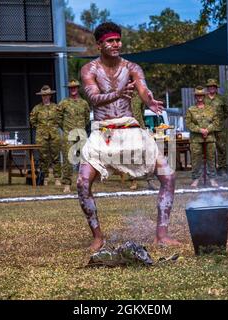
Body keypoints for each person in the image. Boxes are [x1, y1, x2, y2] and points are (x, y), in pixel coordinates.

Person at [78, 22, 179, 251]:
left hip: (130, 129)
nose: (116, 44)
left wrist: (149, 100)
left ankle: (161, 235)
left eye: (118, 40)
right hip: (102, 132)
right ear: (99, 45)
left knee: (169, 175)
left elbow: (142, 88)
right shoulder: (89, 70)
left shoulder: (132, 67)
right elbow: (93, 98)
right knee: (83, 182)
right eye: (110, 41)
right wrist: (117, 94)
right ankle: (97, 237)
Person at [59, 79, 90, 193]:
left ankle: (84, 182)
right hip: (68, 134)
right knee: (68, 159)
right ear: (69, 89)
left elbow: (87, 119)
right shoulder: (63, 103)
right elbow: (58, 118)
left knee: (84, 159)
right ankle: (67, 184)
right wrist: (66, 128)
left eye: (75, 87)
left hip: (81, 134)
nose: (73, 89)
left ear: (78, 88)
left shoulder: (84, 103)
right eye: (71, 88)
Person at [186, 86, 219, 188]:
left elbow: (216, 122)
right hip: (196, 139)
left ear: (204, 96)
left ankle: (212, 179)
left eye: (201, 95)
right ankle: (196, 179)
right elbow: (188, 123)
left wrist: (207, 130)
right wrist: (200, 130)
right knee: (196, 159)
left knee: (211, 158)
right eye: (197, 95)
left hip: (209, 138)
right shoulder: (191, 109)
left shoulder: (211, 109)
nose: (199, 97)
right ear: (195, 97)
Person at [29, 85, 63, 186]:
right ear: (41, 96)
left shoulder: (56, 107)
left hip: (54, 135)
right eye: (43, 95)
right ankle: (45, 178)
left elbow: (60, 119)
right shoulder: (37, 108)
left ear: (50, 96)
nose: (45, 97)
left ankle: (57, 178)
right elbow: (32, 120)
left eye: (47, 95)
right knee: (43, 157)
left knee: (56, 157)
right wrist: (41, 128)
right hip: (41, 136)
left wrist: (54, 126)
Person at [128, 91, 158, 191]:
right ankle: (133, 180)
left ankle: (150, 180)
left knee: (147, 154)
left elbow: (142, 112)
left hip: (140, 128)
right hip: (127, 129)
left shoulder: (140, 95)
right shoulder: (122, 95)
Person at [204, 78, 228, 176]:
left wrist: (220, 121)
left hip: (220, 128)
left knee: (221, 148)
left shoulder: (221, 99)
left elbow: (227, 112)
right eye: (210, 87)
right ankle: (211, 169)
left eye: (213, 86)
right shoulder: (204, 99)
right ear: (207, 88)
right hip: (207, 128)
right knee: (209, 148)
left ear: (216, 88)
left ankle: (222, 168)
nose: (211, 88)